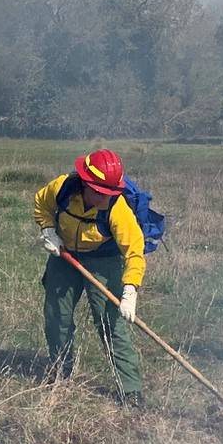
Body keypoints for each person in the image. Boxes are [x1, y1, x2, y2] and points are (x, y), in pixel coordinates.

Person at [32, 149, 146, 407]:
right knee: (56, 317)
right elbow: (41, 203)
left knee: (110, 322)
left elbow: (134, 251)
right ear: (85, 183)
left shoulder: (118, 209)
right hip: (65, 255)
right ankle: (61, 373)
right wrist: (49, 230)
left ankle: (131, 390)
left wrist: (130, 289)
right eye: (100, 193)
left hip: (103, 261)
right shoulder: (61, 187)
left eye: (110, 193)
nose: (105, 199)